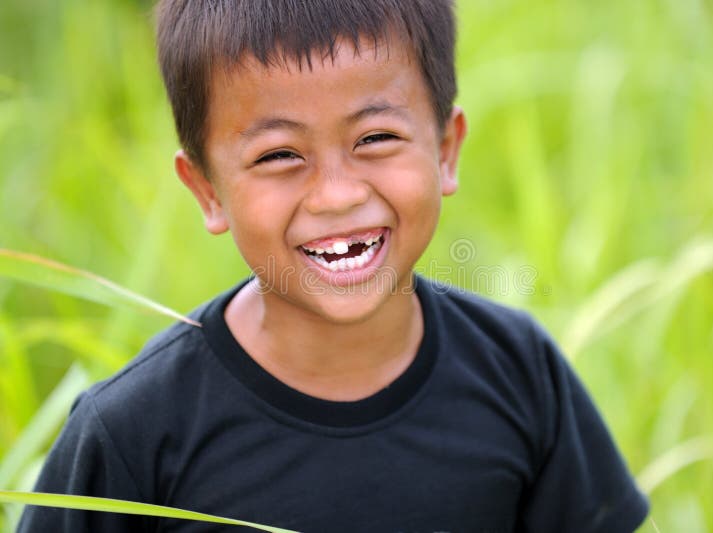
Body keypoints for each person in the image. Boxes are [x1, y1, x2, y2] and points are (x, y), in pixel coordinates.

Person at [18, 1, 649, 531]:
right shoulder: (135, 433)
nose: (337, 194)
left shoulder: (517, 372)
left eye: (375, 139)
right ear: (207, 189)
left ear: (446, 150)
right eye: (280, 155)